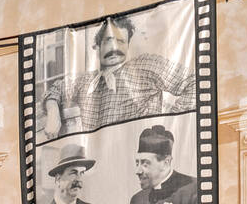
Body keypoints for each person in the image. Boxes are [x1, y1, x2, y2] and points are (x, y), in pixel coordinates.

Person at [43, 14, 196, 138]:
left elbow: (194, 83)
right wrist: (53, 114)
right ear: (97, 46)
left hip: (142, 159)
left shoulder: (145, 65)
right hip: (104, 162)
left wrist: (173, 121)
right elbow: (57, 88)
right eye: (109, 41)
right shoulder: (86, 81)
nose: (115, 48)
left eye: (121, 41)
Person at [124, 124, 198, 204]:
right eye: (137, 163)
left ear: (166, 162)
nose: (137, 171)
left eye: (145, 164)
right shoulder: (137, 200)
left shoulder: (195, 190)